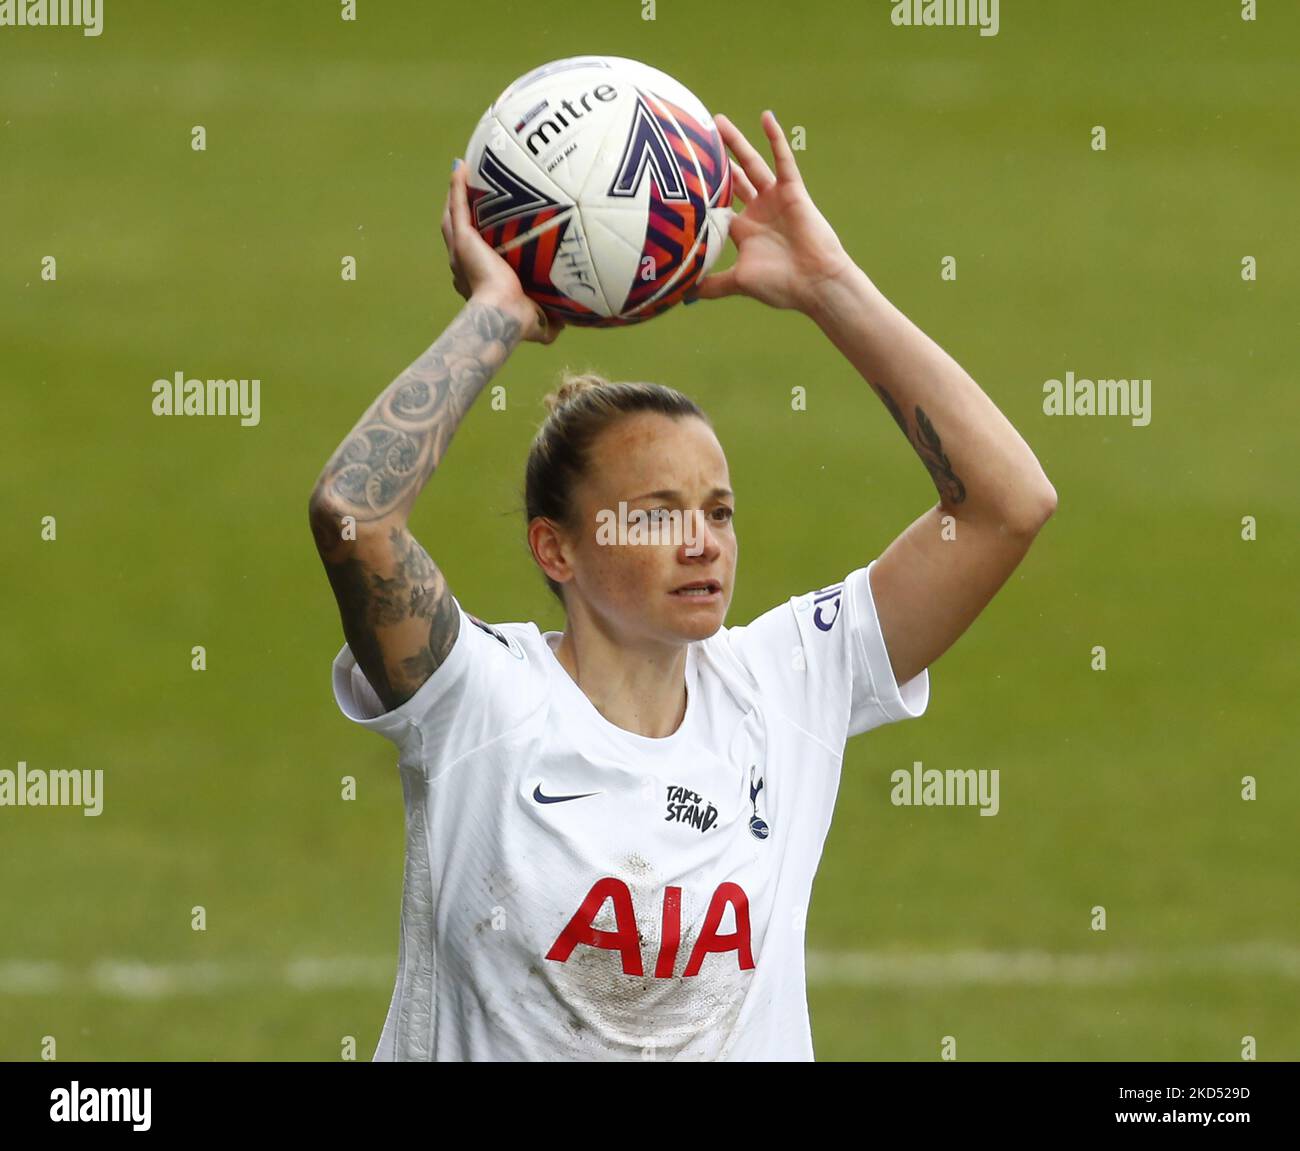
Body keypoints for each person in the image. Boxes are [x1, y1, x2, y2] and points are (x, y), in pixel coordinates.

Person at [308, 110, 1056, 1061]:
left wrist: (830, 287)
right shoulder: (478, 699)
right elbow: (353, 514)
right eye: (658, 512)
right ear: (557, 549)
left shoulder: (787, 684)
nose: (703, 543)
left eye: (720, 511)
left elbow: (1007, 504)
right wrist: (495, 316)